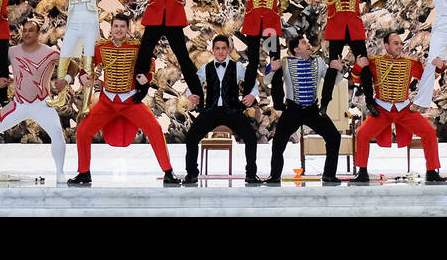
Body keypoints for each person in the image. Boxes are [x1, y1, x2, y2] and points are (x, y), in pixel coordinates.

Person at [69, 12, 178, 186]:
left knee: (155, 129)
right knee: (83, 131)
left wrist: (147, 77)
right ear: (111, 28)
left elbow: (149, 64)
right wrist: (83, 75)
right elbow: (88, 64)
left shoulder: (137, 46)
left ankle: (168, 172)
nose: (118, 30)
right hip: (107, 102)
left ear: (127, 29)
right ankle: (84, 173)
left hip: (130, 101)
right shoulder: (101, 46)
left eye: (122, 26)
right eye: (116, 26)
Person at [0, 19, 65, 183]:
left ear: (38, 33)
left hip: (42, 104)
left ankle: (60, 175)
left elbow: (72, 65)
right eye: (24, 30)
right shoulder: (12, 51)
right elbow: (0, 67)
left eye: (30, 30)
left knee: (57, 134)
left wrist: (66, 79)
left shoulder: (50, 53)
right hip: (18, 104)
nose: (26, 33)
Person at [351, 31, 446, 184]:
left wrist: (440, 67)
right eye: (396, 43)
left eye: (401, 43)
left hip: (404, 109)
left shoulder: (410, 63)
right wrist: (358, 66)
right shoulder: (374, 62)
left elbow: (428, 76)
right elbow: (355, 78)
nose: (400, 46)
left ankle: (432, 171)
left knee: (429, 132)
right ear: (386, 45)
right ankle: (362, 172)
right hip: (382, 110)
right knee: (362, 134)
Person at [305, 0, 379, 114]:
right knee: (333, 67)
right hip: (336, 30)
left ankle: (370, 101)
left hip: (354, 30)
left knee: (364, 65)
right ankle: (324, 104)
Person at [182, 35, 259, 185]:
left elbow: (253, 82)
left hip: (233, 111)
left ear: (229, 49)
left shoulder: (237, 67)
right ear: (213, 50)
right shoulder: (206, 67)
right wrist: (191, 95)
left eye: (224, 48)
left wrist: (251, 94)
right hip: (211, 111)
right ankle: (191, 174)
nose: (221, 51)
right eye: (217, 48)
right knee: (191, 138)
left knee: (250, 138)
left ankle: (251, 174)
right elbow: (192, 84)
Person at [266, 33, 341, 185]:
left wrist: (338, 70)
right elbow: (267, 80)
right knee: (278, 142)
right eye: (303, 42)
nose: (308, 43)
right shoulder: (286, 62)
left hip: (313, 110)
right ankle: (274, 176)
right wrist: (271, 68)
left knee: (334, 137)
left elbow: (333, 81)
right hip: (293, 110)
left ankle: (329, 174)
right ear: (296, 49)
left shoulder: (318, 61)